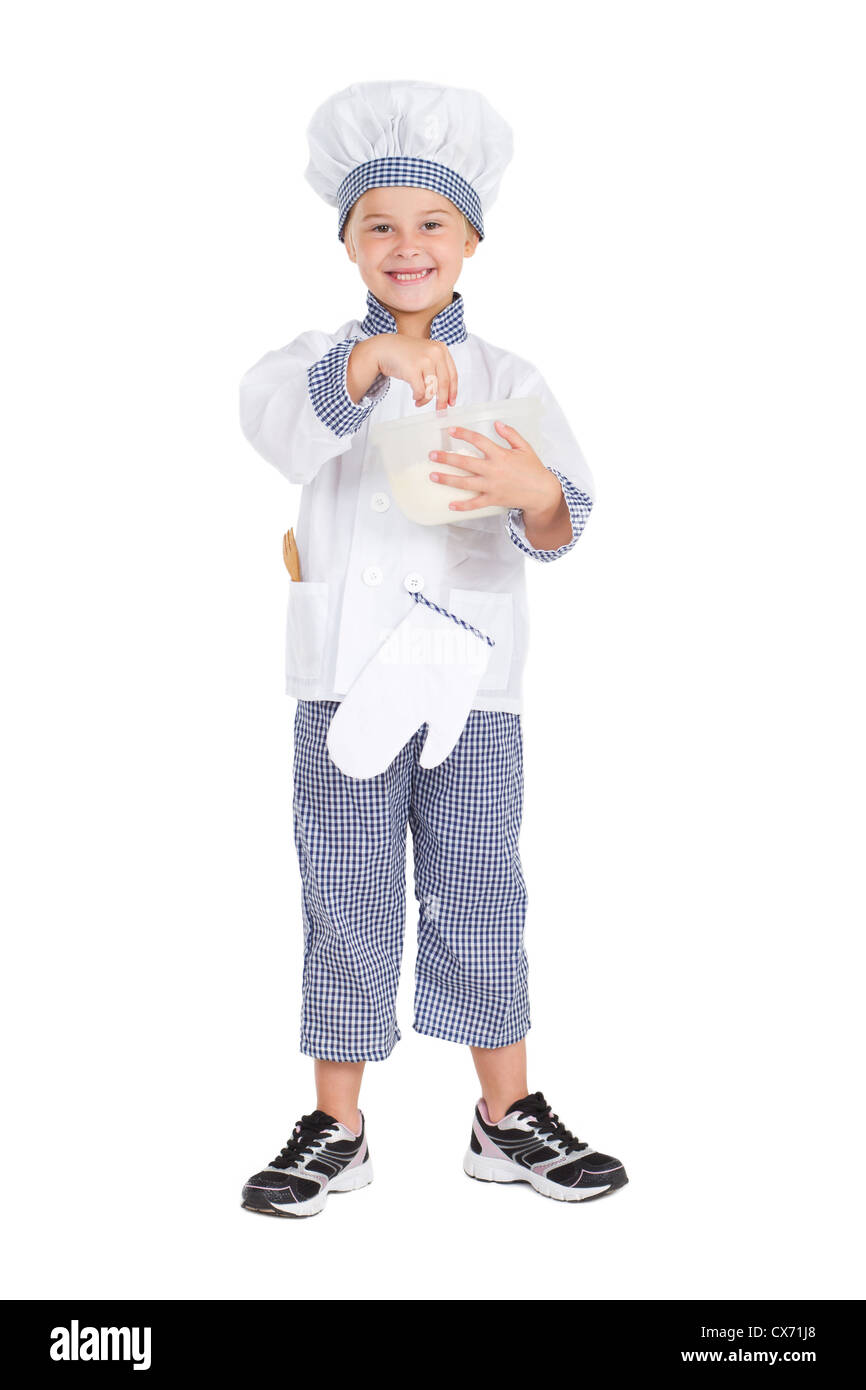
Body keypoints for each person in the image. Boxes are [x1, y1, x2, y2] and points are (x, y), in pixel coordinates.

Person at [237, 80, 628, 1218]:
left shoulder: (509, 378)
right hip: (345, 680)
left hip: (471, 685)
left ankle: (505, 1118)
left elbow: (561, 528)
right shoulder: (315, 361)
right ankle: (338, 1125)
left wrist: (530, 488)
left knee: (476, 892)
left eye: (430, 225)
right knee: (345, 894)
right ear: (348, 243)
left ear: (471, 241)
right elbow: (275, 428)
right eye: (380, 225)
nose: (406, 246)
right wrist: (370, 368)